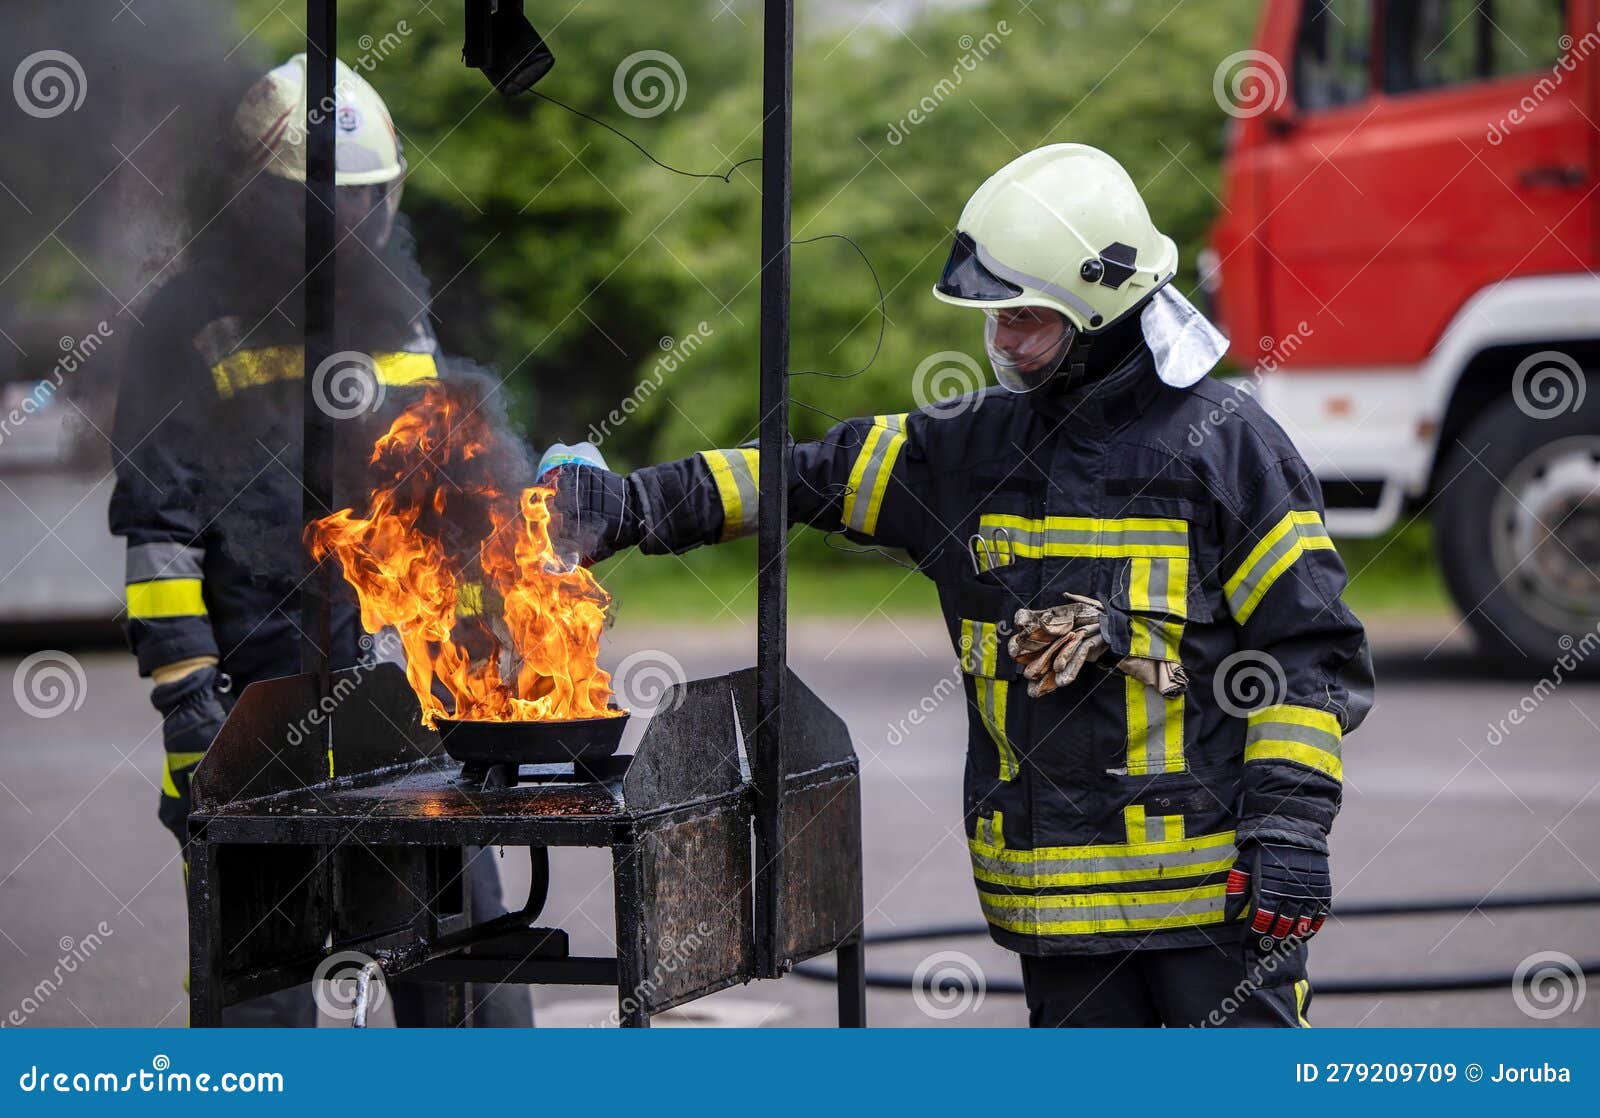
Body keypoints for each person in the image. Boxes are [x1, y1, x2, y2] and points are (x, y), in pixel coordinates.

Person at [546, 144, 1374, 1027]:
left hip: (1219, 910)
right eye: (997, 319)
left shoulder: (1227, 444)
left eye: (1027, 319)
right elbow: (803, 477)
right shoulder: (965, 451)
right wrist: (630, 506)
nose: (1004, 343)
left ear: (1100, 311)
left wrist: (1289, 829)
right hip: (1056, 923)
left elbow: (1307, 653)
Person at [109, 55, 531, 1027]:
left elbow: (445, 508)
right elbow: (159, 534)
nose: (353, 223)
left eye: (369, 200)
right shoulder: (183, 321)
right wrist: (191, 708)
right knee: (260, 1014)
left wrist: (478, 655)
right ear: (266, 196)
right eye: (327, 202)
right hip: (251, 723)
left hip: (403, 720)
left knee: (475, 997)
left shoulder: (397, 313)